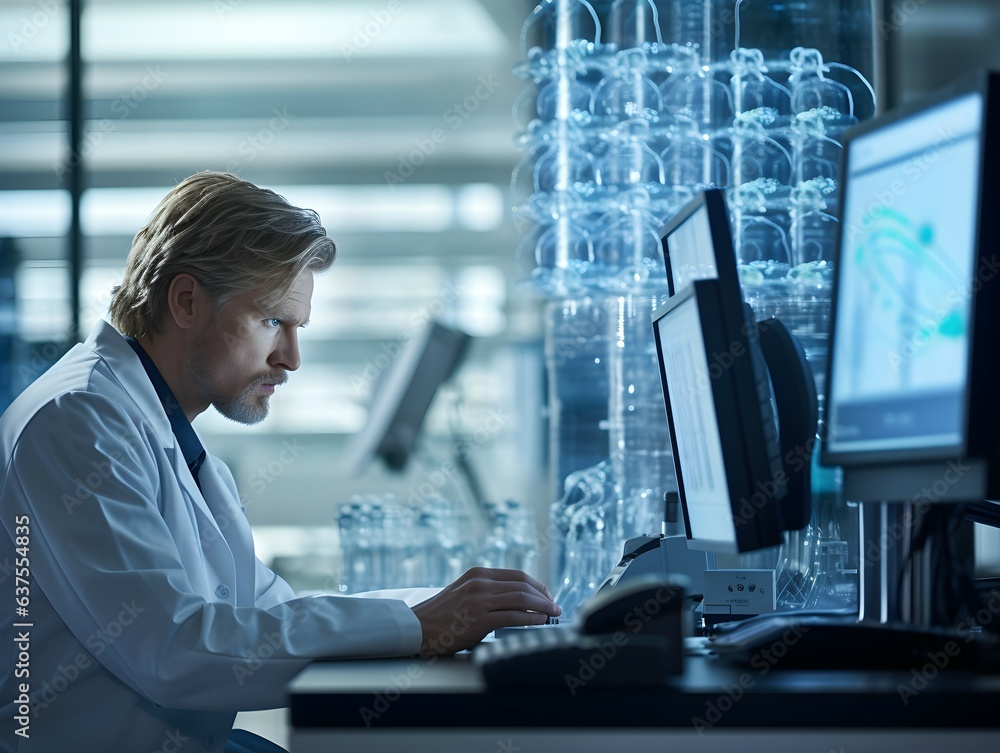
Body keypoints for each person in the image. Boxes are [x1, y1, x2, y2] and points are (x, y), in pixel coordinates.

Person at [0, 171, 560, 752]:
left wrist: (444, 607)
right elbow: (172, 648)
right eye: (272, 321)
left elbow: (273, 610)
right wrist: (420, 625)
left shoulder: (167, 436)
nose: (291, 358)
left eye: (298, 327)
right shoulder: (76, 420)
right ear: (187, 301)